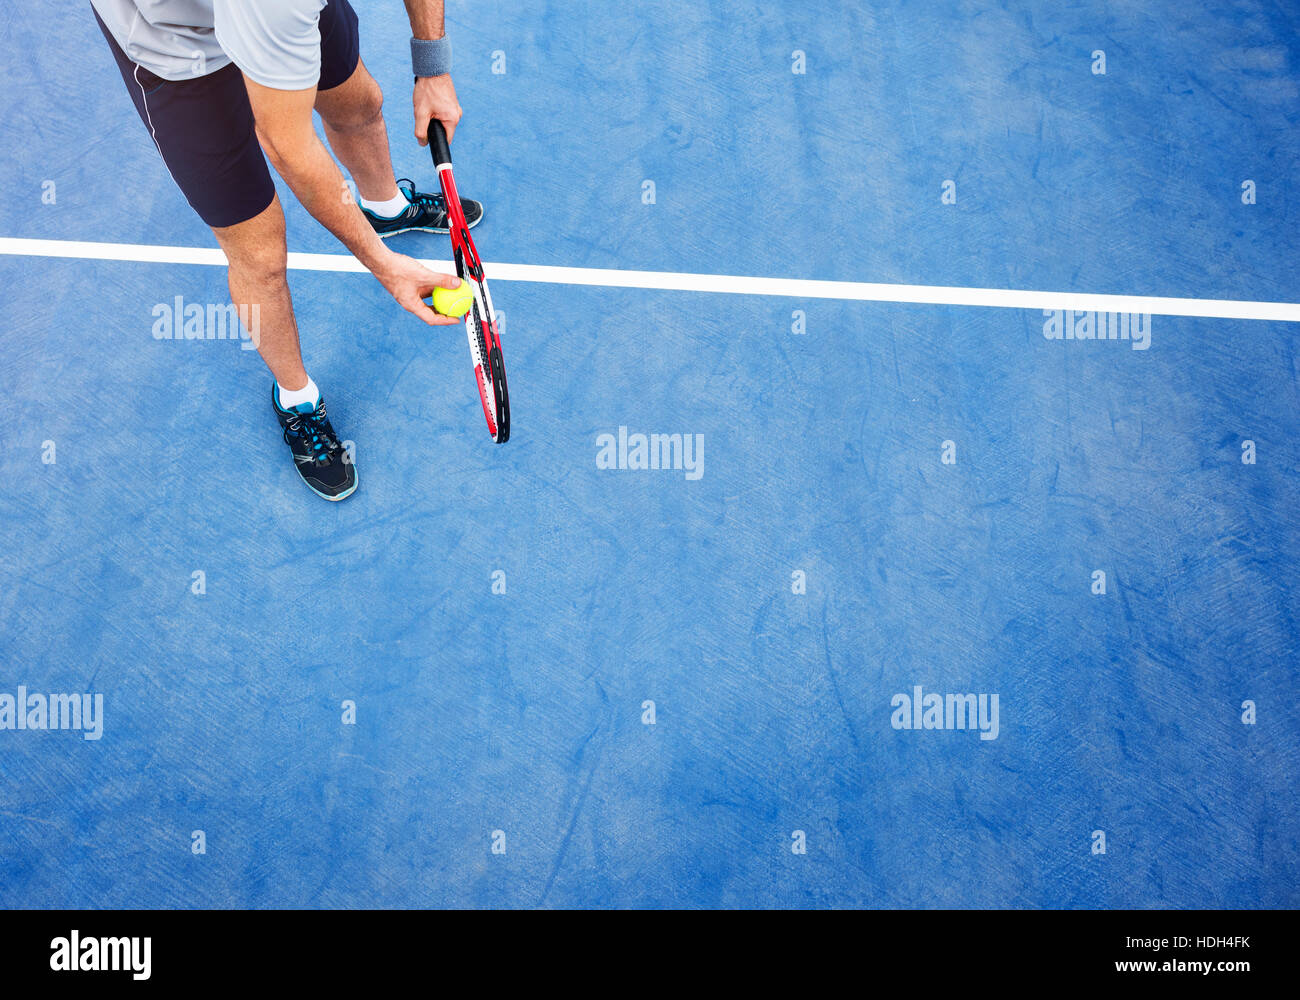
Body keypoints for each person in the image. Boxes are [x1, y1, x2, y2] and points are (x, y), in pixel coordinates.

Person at [91, 0, 482, 500]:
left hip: (274, 17)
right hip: (179, 46)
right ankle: (296, 400)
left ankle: (386, 208)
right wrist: (386, 268)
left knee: (358, 103)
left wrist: (432, 68)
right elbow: (289, 148)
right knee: (260, 255)